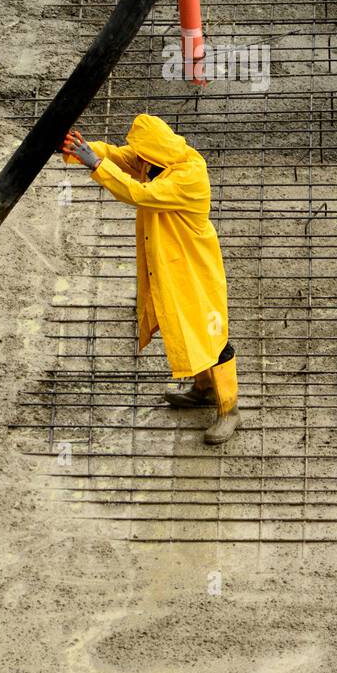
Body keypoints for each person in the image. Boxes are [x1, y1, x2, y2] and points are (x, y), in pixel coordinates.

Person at [60, 114, 240, 444]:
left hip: (195, 268)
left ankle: (229, 409)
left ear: (154, 150)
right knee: (188, 329)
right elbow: (120, 155)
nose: (138, 157)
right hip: (172, 265)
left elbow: (139, 194)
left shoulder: (188, 174)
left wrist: (95, 164)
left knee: (212, 335)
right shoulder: (156, 159)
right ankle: (202, 389)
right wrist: (80, 148)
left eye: (142, 152)